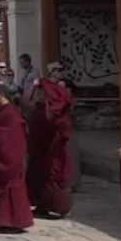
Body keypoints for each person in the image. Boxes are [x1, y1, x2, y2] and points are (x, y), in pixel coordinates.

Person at [0, 85, 34, 233]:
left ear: (1, 95)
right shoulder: (2, 111)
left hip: (11, 159)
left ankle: (13, 223)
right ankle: (2, 222)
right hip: (5, 158)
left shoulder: (11, 113)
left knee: (11, 192)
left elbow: (10, 136)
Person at [27, 78, 75, 217]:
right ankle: (42, 206)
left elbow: (58, 129)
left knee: (51, 178)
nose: (37, 94)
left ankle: (59, 208)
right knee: (39, 177)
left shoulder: (53, 110)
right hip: (40, 149)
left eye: (39, 92)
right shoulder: (41, 108)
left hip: (50, 150)